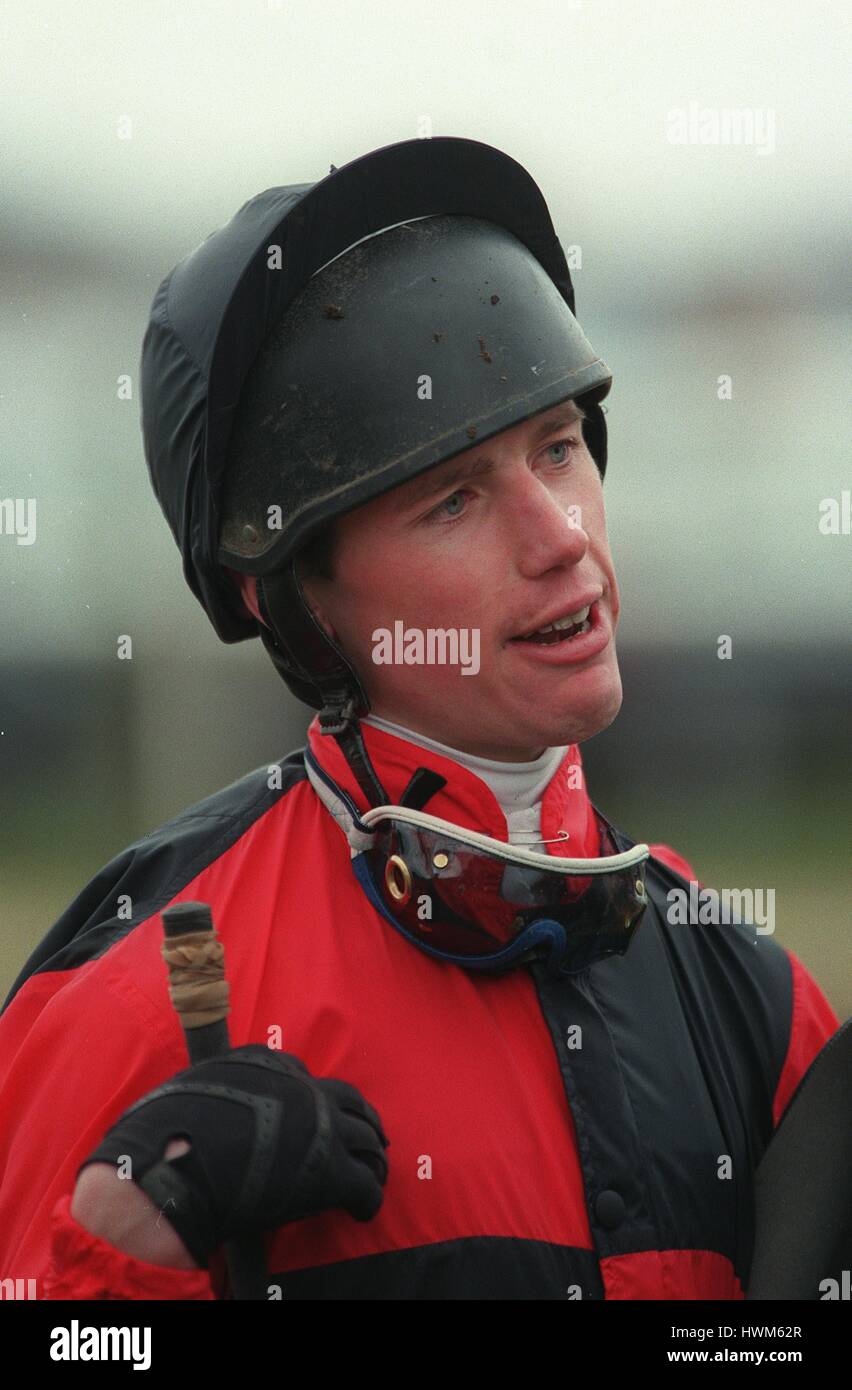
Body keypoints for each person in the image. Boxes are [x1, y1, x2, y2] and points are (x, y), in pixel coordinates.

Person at [0, 137, 840, 1301]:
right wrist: (121, 1254)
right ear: (288, 599)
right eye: (453, 499)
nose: (561, 535)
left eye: (559, 449)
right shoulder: (139, 996)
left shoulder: (760, 1003)